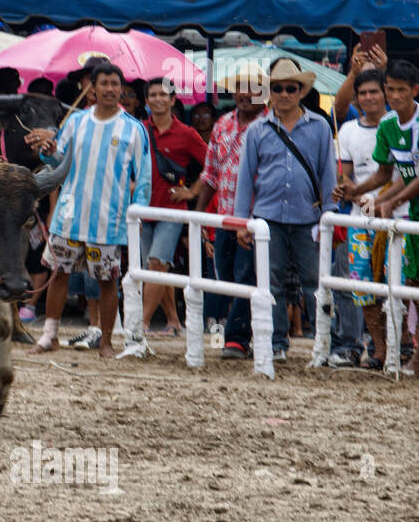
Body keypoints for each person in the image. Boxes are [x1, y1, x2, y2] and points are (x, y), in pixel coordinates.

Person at [25, 57, 151, 358]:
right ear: (92, 88)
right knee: (59, 274)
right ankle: (49, 335)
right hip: (69, 215)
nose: (110, 89)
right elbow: (58, 163)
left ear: (122, 89)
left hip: (109, 219)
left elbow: (143, 177)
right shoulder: (76, 121)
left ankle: (106, 341)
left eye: (115, 84)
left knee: (107, 282)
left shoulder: (133, 129)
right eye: (104, 83)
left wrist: (139, 212)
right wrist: (50, 152)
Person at [233, 58, 337, 363]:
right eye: (277, 88)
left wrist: (330, 217)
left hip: (309, 217)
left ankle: (325, 343)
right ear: (269, 92)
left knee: (316, 282)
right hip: (267, 219)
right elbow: (245, 179)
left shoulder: (319, 128)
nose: (283, 94)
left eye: (290, 88)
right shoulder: (256, 130)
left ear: (301, 91)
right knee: (270, 282)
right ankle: (276, 343)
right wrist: (242, 222)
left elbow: (328, 175)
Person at [341, 59, 419, 372]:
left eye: (402, 90)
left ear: (415, 90)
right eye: (392, 89)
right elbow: (386, 172)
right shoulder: (387, 126)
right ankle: (411, 354)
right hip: (412, 211)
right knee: (412, 284)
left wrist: (387, 202)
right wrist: (354, 190)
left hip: (408, 209)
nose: (396, 95)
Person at [196, 65, 267, 360]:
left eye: (253, 88)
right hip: (223, 217)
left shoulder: (270, 125)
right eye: (240, 87)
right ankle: (236, 335)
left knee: (246, 276)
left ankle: (236, 339)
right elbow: (210, 174)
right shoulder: (223, 123)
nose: (245, 94)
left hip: (254, 220)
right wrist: (199, 215)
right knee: (224, 277)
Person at [330, 68, 391, 368]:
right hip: (360, 220)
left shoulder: (399, 126)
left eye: (374, 91)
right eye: (363, 93)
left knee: (403, 289)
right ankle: (379, 351)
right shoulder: (349, 131)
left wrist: (375, 200)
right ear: (356, 97)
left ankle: (404, 348)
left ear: (385, 93)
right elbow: (346, 180)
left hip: (398, 217)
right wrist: (348, 193)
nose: (368, 97)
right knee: (364, 289)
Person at [140, 78, 208, 336]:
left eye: (163, 94)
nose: (158, 98)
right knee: (156, 268)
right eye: (153, 94)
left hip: (172, 210)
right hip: (143, 209)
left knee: (157, 264)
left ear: (172, 100)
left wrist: (191, 191)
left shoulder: (187, 133)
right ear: (147, 101)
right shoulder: (139, 129)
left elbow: (212, 164)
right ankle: (173, 322)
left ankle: (141, 324)